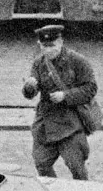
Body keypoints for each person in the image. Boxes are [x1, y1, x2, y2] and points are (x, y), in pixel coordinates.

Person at [23, 24, 98, 181]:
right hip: (46, 123)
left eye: (52, 46)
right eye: (44, 46)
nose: (49, 50)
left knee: (76, 166)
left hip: (71, 123)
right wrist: (29, 87)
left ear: (61, 42)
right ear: (40, 45)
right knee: (41, 163)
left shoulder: (77, 61)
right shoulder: (39, 63)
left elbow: (91, 88)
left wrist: (66, 95)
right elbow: (30, 93)